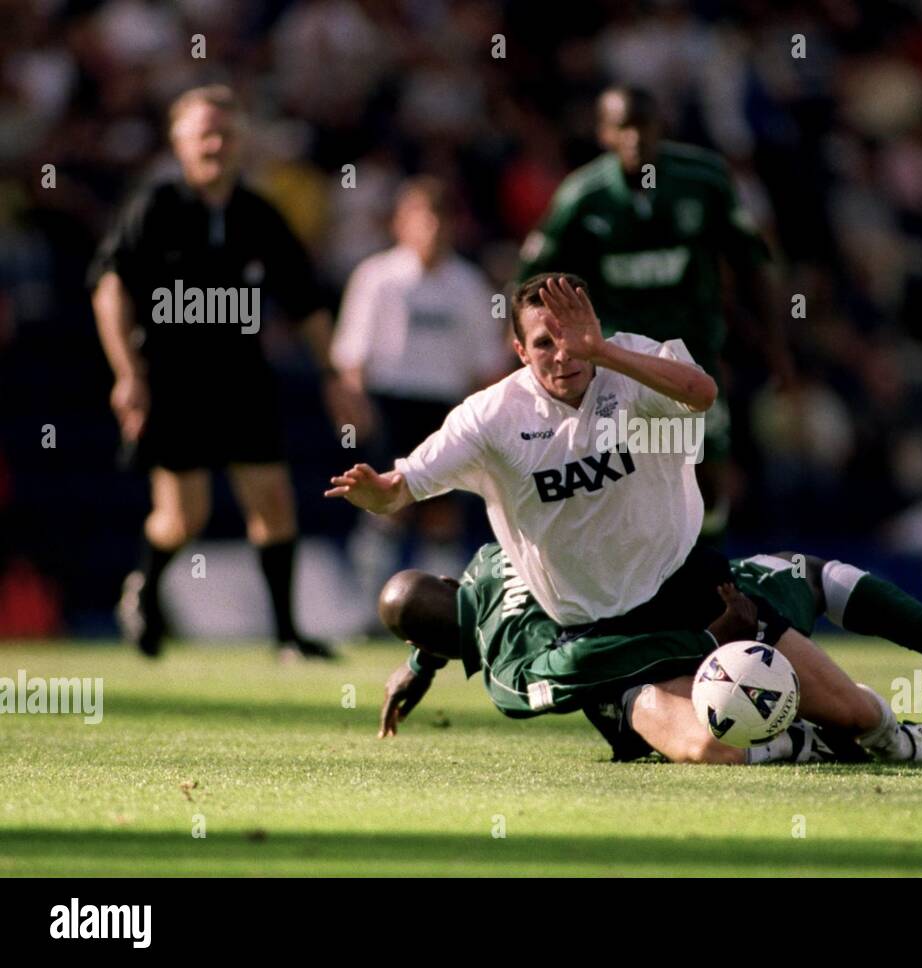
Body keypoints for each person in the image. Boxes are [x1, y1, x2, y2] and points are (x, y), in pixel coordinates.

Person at [90, 84, 364, 659]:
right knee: (182, 517)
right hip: (171, 380)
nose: (215, 143)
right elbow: (110, 288)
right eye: (203, 133)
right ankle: (142, 587)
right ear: (179, 143)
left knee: (274, 501)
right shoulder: (156, 209)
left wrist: (335, 376)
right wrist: (128, 373)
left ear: (242, 142)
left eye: (225, 133)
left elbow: (306, 303)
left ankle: (287, 636)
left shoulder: (258, 214)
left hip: (242, 379)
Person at [374, 542, 922, 764]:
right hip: (683, 622)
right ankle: (916, 707)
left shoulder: (504, 671)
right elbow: (445, 606)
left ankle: (838, 740)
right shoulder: (492, 553)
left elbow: (567, 666)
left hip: (651, 670)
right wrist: (708, 634)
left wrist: (421, 662)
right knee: (813, 577)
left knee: (707, 743)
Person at [326, 272, 730, 641]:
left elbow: (702, 394)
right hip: (584, 622)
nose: (562, 355)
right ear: (520, 351)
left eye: (572, 338)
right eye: (544, 343)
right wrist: (377, 494)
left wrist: (602, 352)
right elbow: (400, 490)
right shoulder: (492, 416)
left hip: (677, 578)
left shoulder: (630, 360)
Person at [517, 85, 793, 540]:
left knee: (705, 462)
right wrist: (539, 358)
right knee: (623, 470)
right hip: (614, 361)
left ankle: (708, 569)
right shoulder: (582, 197)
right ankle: (636, 581)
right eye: (622, 127)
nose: (635, 138)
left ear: (660, 126)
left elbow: (752, 264)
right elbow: (529, 282)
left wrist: (776, 344)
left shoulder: (704, 180)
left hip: (694, 355)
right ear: (604, 134)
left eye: (643, 125)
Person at [331, 176, 510, 612]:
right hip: (389, 403)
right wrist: (355, 408)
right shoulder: (377, 278)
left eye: (440, 219)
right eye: (422, 218)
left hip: (445, 410)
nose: (432, 229)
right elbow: (351, 355)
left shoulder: (468, 285)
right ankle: (368, 610)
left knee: (441, 514)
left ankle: (442, 611)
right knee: (386, 507)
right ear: (400, 223)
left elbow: (486, 365)